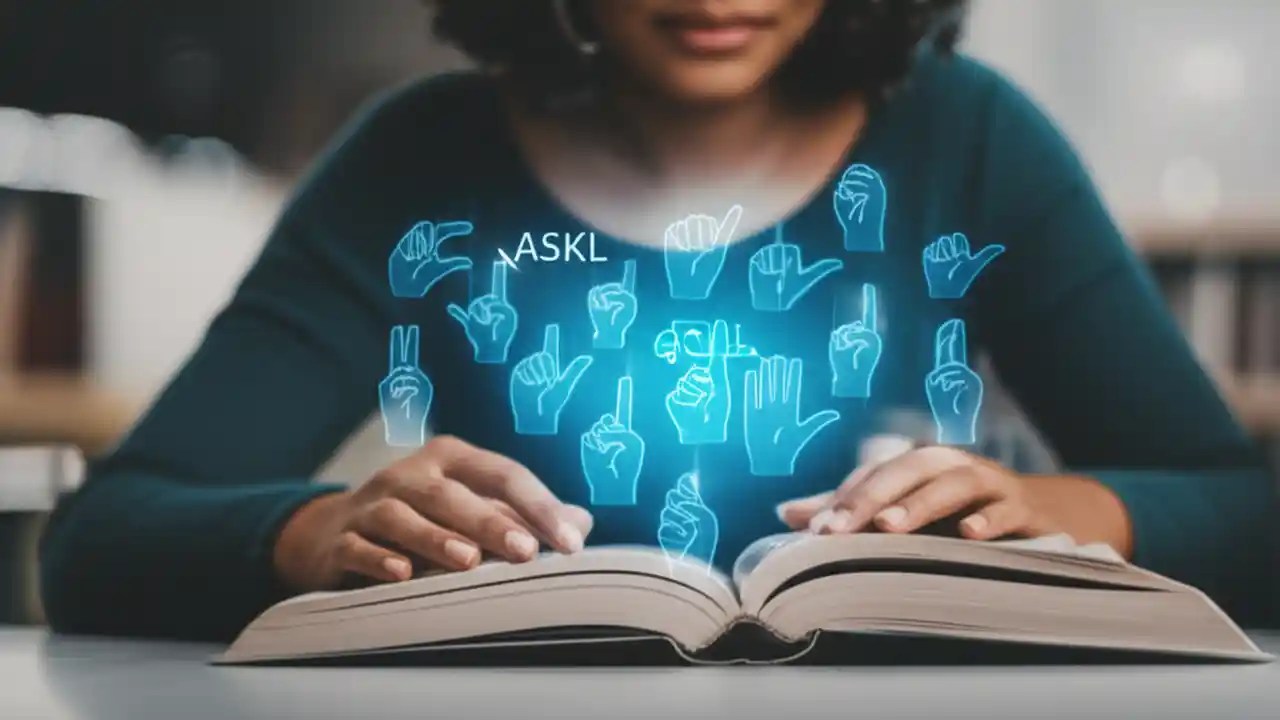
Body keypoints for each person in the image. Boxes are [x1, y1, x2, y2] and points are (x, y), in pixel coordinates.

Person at [41, 0, 1276, 641]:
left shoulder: (969, 139)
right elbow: (100, 539)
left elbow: (1246, 516)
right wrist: (315, 532)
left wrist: (1052, 514)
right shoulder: (419, 158)